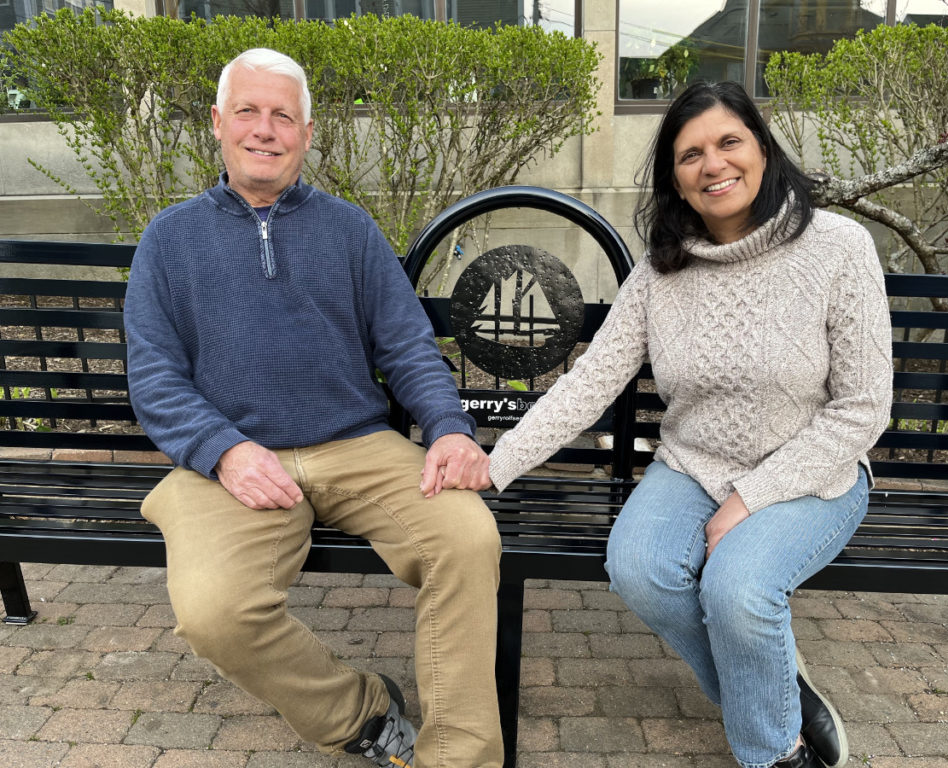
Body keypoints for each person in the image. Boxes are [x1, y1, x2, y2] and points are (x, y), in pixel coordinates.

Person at [471, 81, 893, 768]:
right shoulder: (661, 271)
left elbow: (863, 409)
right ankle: (778, 687)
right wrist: (497, 463)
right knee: (639, 569)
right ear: (675, 177)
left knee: (738, 589)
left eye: (729, 141)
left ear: (762, 148)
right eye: (690, 153)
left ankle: (773, 750)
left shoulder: (838, 247)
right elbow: (591, 383)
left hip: (814, 471)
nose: (713, 164)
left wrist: (752, 498)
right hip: (692, 465)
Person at [124, 48, 503, 768]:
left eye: (283, 116)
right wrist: (224, 450)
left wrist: (450, 430)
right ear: (217, 123)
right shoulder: (169, 241)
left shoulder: (351, 230)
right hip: (230, 461)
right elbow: (155, 376)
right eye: (247, 111)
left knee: (467, 539)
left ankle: (457, 758)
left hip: (358, 446)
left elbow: (407, 348)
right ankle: (357, 712)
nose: (264, 130)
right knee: (214, 613)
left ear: (306, 132)